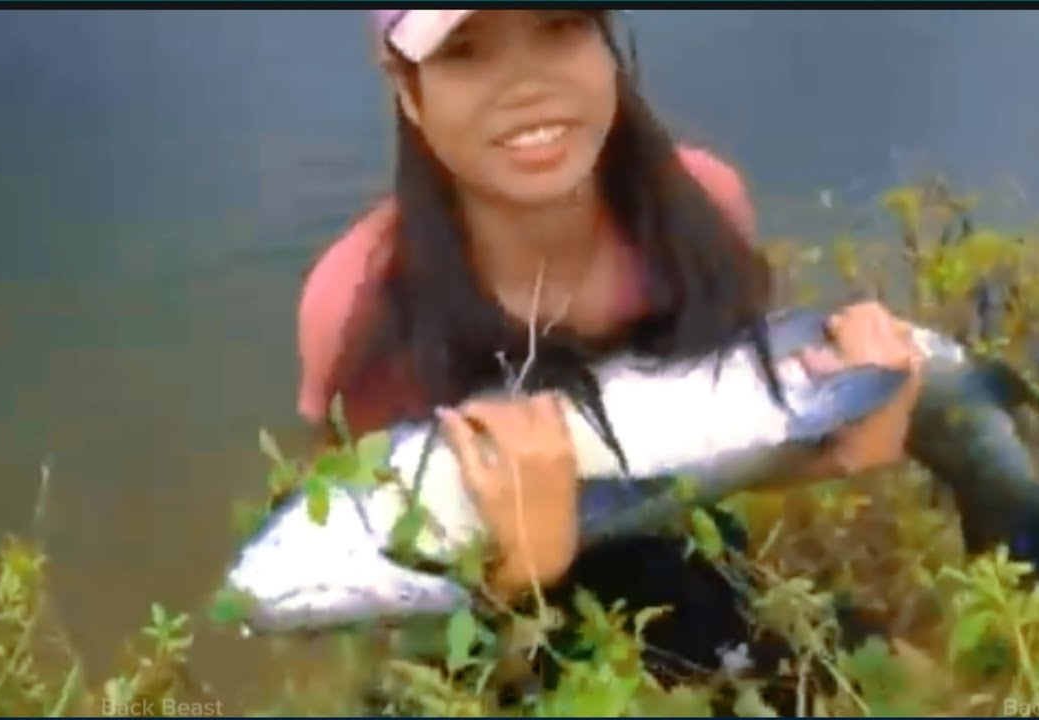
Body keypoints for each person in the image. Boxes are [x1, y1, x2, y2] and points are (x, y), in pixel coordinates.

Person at [297, 7, 923, 694]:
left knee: (911, 684)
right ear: (407, 89)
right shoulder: (357, 304)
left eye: (560, 26)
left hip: (684, 574)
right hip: (486, 656)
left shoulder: (699, 206)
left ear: (607, 42)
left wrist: (828, 445)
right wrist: (510, 586)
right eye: (466, 51)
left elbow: (707, 460)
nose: (525, 83)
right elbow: (370, 595)